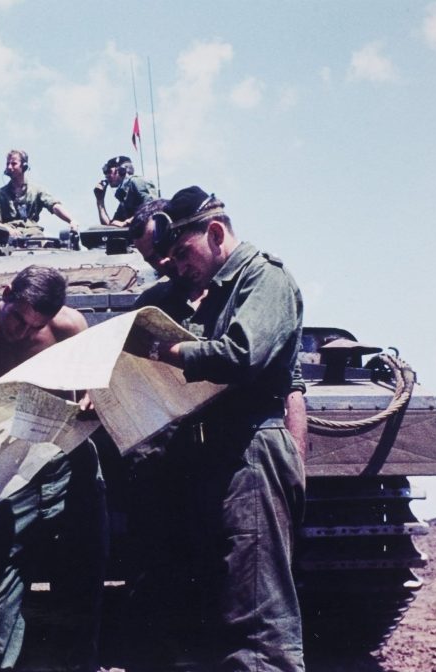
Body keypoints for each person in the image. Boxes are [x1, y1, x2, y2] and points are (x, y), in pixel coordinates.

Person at [125, 186, 306, 671]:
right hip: (206, 459)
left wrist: (167, 352)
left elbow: (241, 354)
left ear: (216, 232)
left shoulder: (264, 279)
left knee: (256, 617)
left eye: (184, 253)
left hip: (249, 452)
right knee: (209, 609)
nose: (178, 266)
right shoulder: (204, 293)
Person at [0, 265, 108, 672]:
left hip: (66, 457)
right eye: (17, 318)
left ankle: (79, 665)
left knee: (81, 572)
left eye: (35, 326)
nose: (21, 332)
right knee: (0, 583)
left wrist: (92, 396)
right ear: (6, 293)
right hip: (6, 465)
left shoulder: (70, 326)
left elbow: (92, 385)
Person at [0, 149, 79, 238]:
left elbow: (54, 206)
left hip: (33, 233)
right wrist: (8, 229)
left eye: (13, 164)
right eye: (7, 164)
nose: (9, 167)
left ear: (24, 166)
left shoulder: (36, 190)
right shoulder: (0, 194)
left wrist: (71, 220)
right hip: (8, 235)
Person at [93, 155, 158, 228]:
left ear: (122, 170)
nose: (107, 176)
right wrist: (100, 201)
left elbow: (153, 206)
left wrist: (127, 223)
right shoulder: (124, 194)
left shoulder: (136, 181)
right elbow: (110, 227)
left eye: (109, 171)